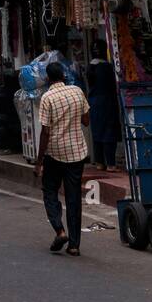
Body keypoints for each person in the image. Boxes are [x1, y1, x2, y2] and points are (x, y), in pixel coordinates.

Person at [35, 61, 91, 256]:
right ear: (64, 76)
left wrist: (39, 160)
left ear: (48, 79)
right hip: (76, 152)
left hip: (55, 153)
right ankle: (74, 245)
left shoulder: (47, 97)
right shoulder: (77, 91)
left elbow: (45, 132)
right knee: (73, 196)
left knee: (50, 190)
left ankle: (60, 230)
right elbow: (86, 120)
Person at [87, 41, 121, 172]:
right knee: (108, 133)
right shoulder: (105, 67)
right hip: (107, 102)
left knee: (97, 132)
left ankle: (100, 163)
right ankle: (111, 164)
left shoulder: (90, 66)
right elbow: (112, 86)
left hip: (94, 103)